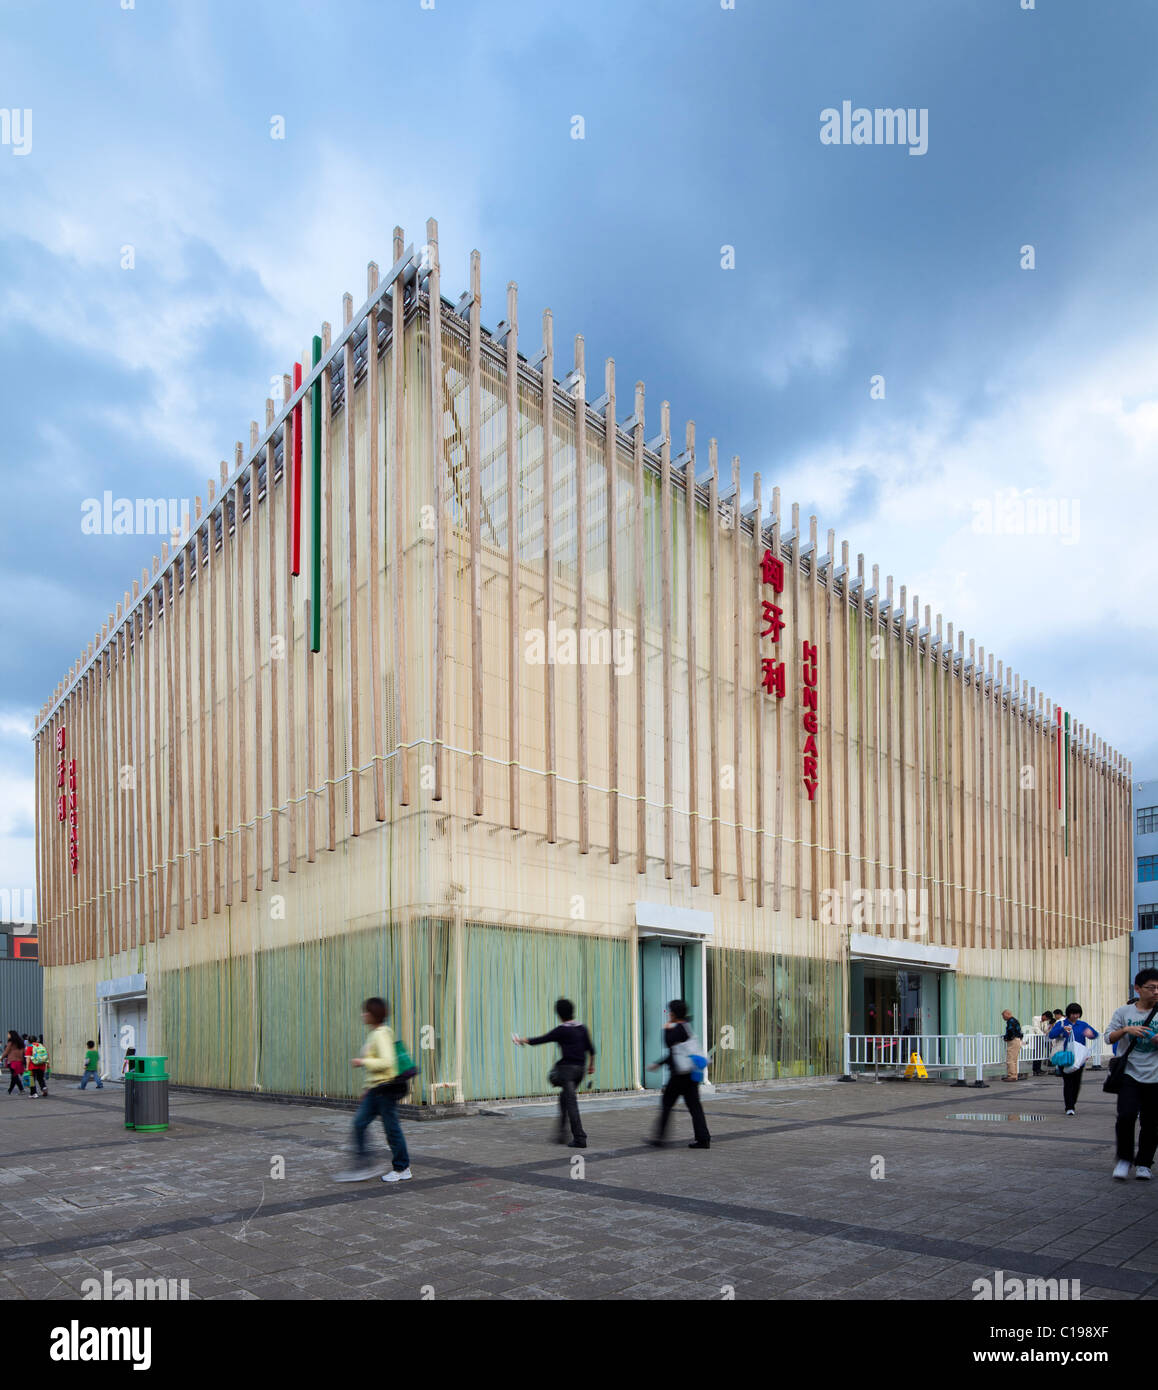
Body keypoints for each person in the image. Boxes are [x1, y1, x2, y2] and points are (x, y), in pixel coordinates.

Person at [334, 997, 411, 1184]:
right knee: (359, 1124)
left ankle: (402, 1168)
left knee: (391, 1129)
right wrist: (367, 1089)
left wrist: (362, 1062)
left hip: (384, 1090)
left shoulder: (381, 1034)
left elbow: (387, 1062)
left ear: (373, 1014)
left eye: (366, 1011)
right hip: (375, 1090)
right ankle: (364, 1165)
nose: (363, 1015)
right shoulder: (374, 1033)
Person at [515, 998, 596, 1148]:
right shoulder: (582, 1028)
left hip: (567, 1071)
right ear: (572, 1011)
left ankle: (579, 1138)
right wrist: (591, 1066)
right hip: (580, 1070)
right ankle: (561, 1134)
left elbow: (542, 1039)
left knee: (571, 1103)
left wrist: (522, 1040)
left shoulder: (562, 1030)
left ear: (559, 1014)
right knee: (564, 1098)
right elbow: (591, 1049)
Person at [1105, 968, 1158, 1181]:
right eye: (1151, 988)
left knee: (1152, 1122)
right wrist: (1126, 1030)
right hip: (1129, 1074)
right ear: (1138, 989)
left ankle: (1144, 1163)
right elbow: (1109, 1037)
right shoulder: (1124, 1012)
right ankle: (1124, 1159)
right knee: (1125, 1116)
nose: (1156, 992)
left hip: (1156, 1076)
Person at [645, 1000, 711, 1149]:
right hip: (690, 1074)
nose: (668, 1014)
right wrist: (659, 1064)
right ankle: (703, 1138)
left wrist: (666, 1028)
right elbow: (677, 1053)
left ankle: (660, 1139)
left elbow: (669, 1044)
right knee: (695, 1107)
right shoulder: (686, 1027)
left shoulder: (678, 1029)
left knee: (667, 1103)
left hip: (680, 1076)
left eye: (670, 1012)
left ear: (674, 1013)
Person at [1048, 1004, 1099, 1115]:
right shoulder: (1061, 1023)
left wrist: (1091, 1034)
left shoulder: (1082, 1024)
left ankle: (1072, 1102)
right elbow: (1051, 1035)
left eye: (1077, 1014)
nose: (1075, 1016)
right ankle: (1069, 1106)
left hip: (1079, 1058)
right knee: (1068, 1082)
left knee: (1076, 1082)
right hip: (1065, 1057)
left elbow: (1095, 1034)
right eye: (1073, 1014)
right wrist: (1062, 1029)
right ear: (1068, 1013)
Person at [1000, 1010, 1024, 1081]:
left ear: (1008, 1014)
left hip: (1013, 1041)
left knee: (1010, 1059)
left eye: (1003, 1016)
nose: (1003, 1018)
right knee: (1014, 1059)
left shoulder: (1010, 1021)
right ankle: (1014, 1074)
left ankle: (1011, 1076)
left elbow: (1011, 1031)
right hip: (1018, 1040)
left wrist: (1006, 1038)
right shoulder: (1015, 1020)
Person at [1031, 1012, 1054, 1077]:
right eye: (1046, 1018)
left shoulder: (1045, 1022)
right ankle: (1035, 1069)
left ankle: (1039, 1068)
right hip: (1036, 1038)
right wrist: (1043, 1034)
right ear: (1044, 1015)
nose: (1046, 1020)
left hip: (1041, 1038)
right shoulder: (1036, 1018)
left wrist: (1049, 1027)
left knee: (1040, 1053)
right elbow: (1036, 1028)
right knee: (1036, 1054)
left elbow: (1045, 1029)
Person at [3, 1031, 26, 1095]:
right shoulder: (21, 1042)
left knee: (14, 1076)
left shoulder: (11, 1042)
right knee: (14, 1076)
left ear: (11, 1035)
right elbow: (24, 1051)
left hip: (12, 1061)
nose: (7, 1035)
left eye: (8, 1034)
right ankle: (10, 1090)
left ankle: (21, 1089)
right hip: (19, 1061)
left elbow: (6, 1051)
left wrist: (1, 1058)